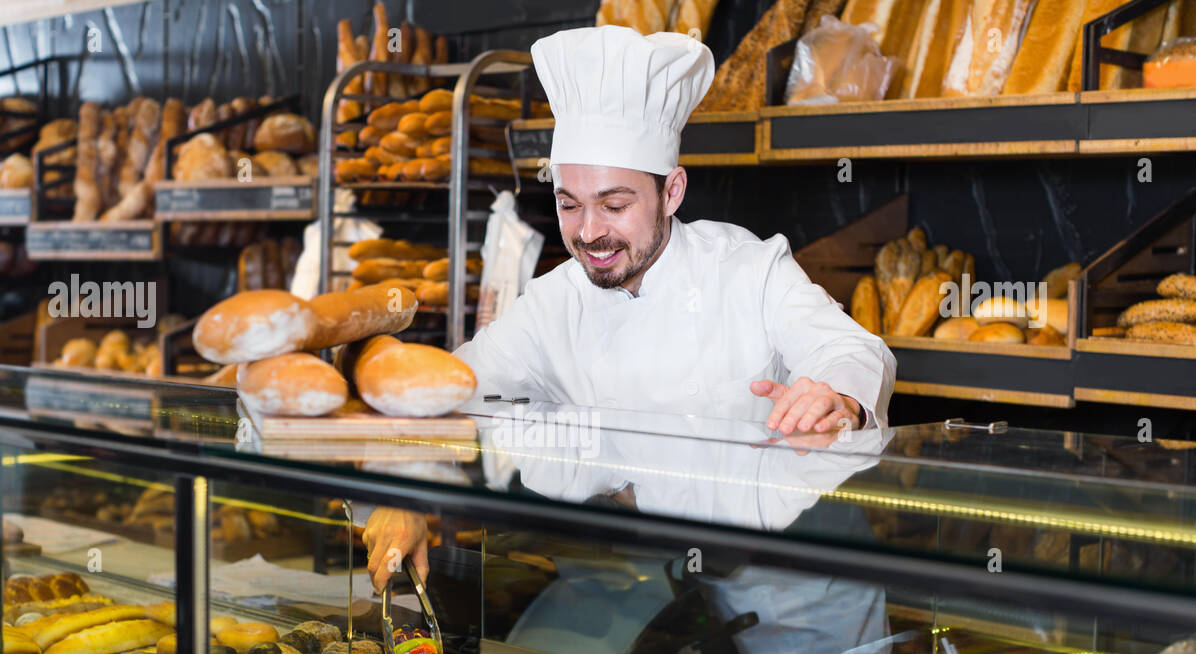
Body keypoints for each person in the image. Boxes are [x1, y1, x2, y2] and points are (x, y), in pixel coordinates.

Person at [363, 25, 896, 590]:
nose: (590, 232)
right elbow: (455, 392)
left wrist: (836, 397)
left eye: (614, 205)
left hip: (796, 592)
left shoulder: (749, 268)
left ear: (672, 192)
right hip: (644, 586)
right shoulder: (552, 303)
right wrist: (406, 488)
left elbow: (852, 349)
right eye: (569, 205)